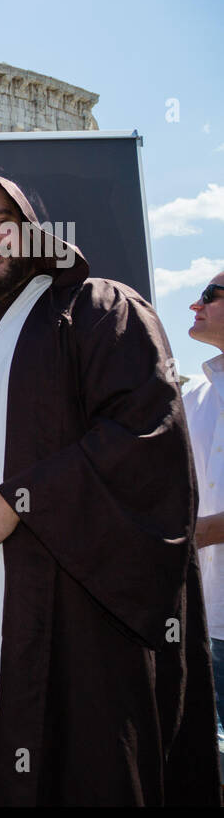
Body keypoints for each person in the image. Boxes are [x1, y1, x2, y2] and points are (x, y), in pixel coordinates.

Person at [0, 173, 220, 805]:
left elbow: (147, 439)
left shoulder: (99, 309)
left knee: (77, 783)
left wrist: (19, 501)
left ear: (33, 227)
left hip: (64, 616)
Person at [183, 274, 224, 753]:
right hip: (202, 626)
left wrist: (207, 531)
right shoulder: (191, 397)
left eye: (211, 295)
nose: (196, 303)